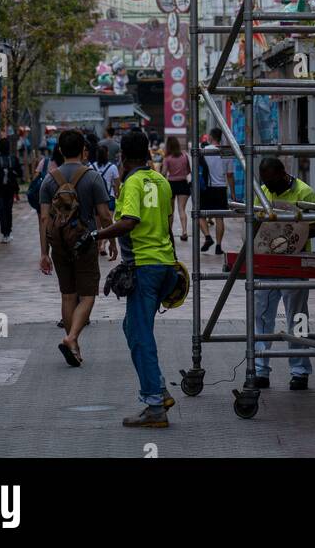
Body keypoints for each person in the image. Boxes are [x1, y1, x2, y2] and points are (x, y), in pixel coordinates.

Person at [91, 130, 178, 429]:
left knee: (140, 336)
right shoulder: (162, 182)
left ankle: (154, 404)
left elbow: (129, 222)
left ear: (123, 157)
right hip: (165, 265)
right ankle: (160, 389)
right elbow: (168, 226)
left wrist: (97, 234)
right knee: (133, 328)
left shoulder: (133, 182)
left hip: (144, 266)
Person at [38, 129, 112, 368]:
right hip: (85, 243)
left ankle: (74, 346)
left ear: (59, 150)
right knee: (88, 295)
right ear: (84, 150)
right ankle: (71, 339)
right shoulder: (93, 178)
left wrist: (43, 252)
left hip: (59, 244)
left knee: (68, 295)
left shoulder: (49, 179)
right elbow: (104, 213)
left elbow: (43, 218)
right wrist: (111, 239)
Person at [254, 156, 315, 391]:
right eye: (266, 184)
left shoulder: (305, 192)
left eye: (272, 183)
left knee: (298, 319)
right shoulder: (261, 192)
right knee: (261, 318)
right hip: (268, 264)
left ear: (283, 174)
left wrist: (289, 233)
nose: (269, 188)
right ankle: (260, 370)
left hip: (295, 264)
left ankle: (300, 371)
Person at [198, 128, 235, 256]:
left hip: (207, 188)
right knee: (220, 218)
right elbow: (230, 175)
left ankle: (208, 236)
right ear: (220, 138)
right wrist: (233, 194)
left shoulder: (203, 151)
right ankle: (219, 246)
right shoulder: (226, 152)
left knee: (200, 214)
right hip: (221, 188)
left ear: (210, 137)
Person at [0, 137, 23, 244]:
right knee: (7, 210)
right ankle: (7, 232)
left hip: (0, 189)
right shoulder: (14, 159)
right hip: (10, 189)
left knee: (2, 211)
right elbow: (20, 173)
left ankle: (5, 233)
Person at [160, 136, 191, 242]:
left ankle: (170, 232)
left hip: (171, 184)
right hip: (183, 183)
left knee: (171, 211)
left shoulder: (167, 158)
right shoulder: (184, 155)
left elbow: (164, 173)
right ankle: (184, 231)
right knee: (182, 209)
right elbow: (188, 171)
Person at [96, 143, 120, 257]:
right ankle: (103, 245)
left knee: (97, 225)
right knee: (109, 224)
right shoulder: (113, 167)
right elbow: (117, 183)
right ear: (107, 154)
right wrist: (117, 194)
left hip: (95, 200)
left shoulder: (91, 167)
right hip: (109, 198)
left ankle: (98, 244)